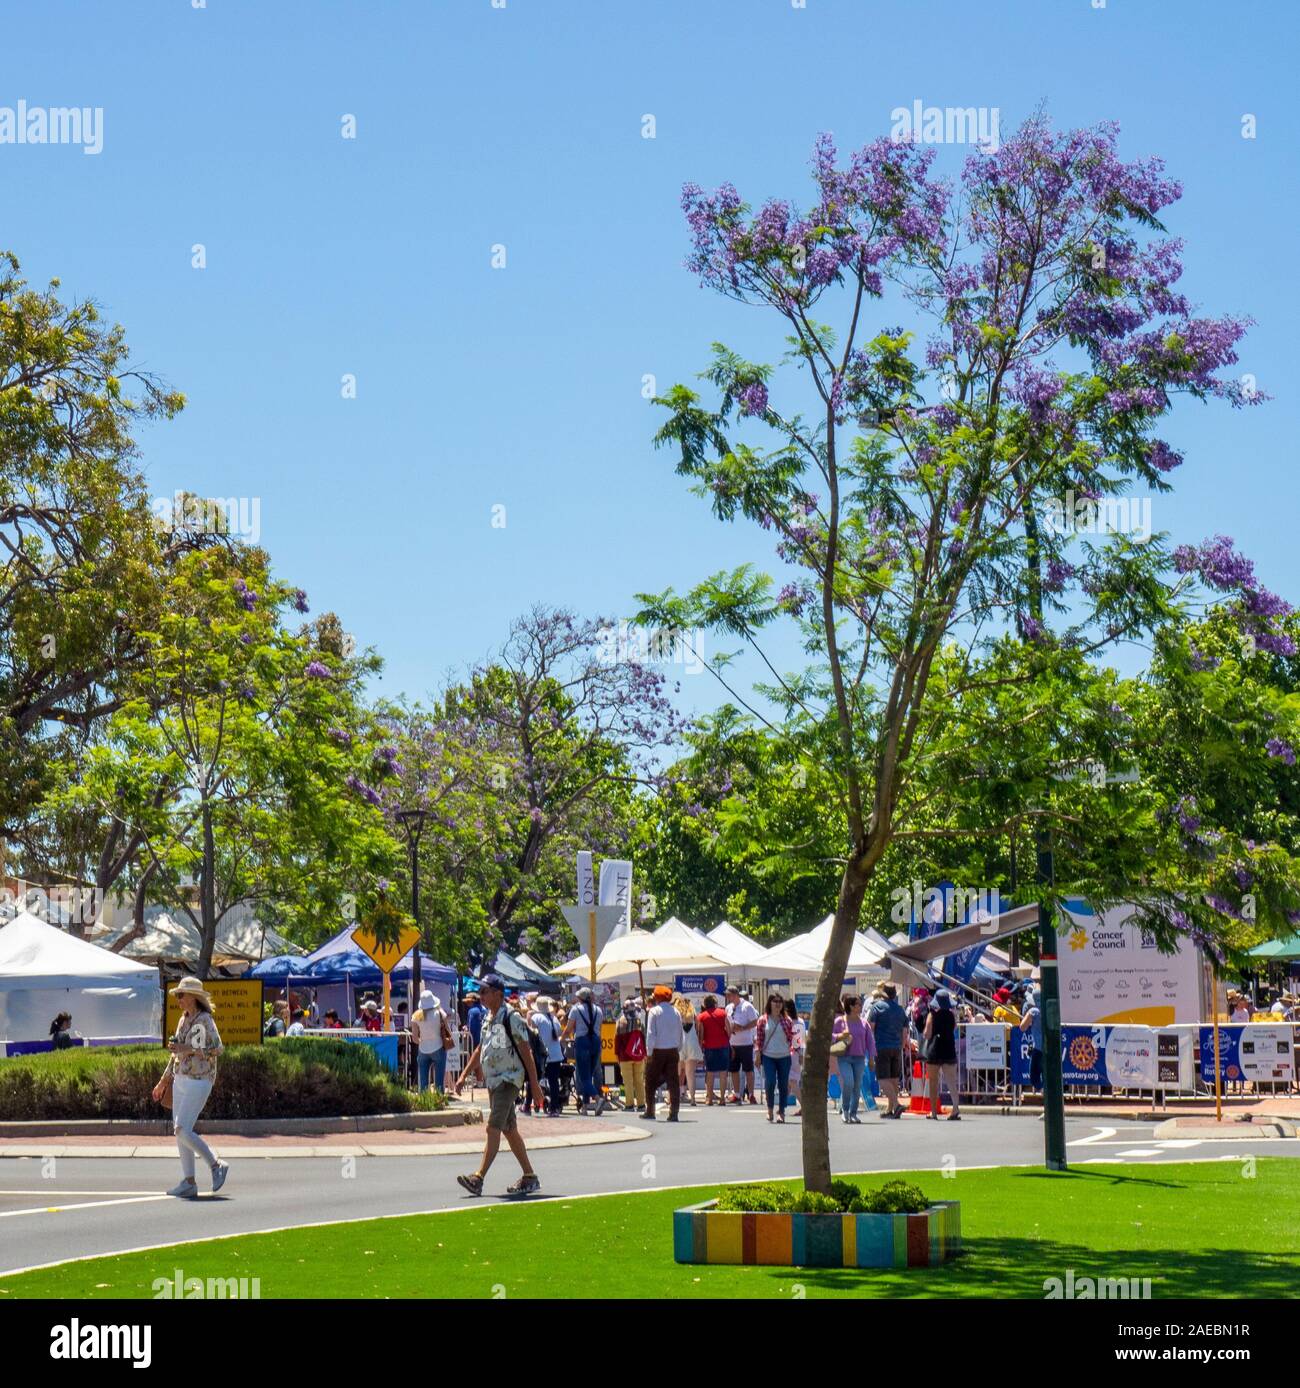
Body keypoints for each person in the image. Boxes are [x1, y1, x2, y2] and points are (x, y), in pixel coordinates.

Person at [453, 973, 545, 1197]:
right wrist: (464, 1075)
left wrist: (535, 1084)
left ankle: (478, 1177)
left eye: (485, 991)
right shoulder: (488, 1018)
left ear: (497, 993)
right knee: (509, 1130)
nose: (481, 996)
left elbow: (526, 1051)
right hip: (494, 1081)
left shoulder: (511, 1017)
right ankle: (530, 1176)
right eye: (480, 991)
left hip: (509, 1079)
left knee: (493, 1127)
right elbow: (479, 1049)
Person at [152, 977, 229, 1198]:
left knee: (182, 1129)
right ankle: (189, 1181)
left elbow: (218, 1048)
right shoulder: (182, 1020)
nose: (178, 999)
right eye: (177, 995)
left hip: (200, 1079)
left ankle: (216, 1164)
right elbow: (176, 1054)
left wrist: (188, 1048)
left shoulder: (205, 1019)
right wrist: (163, 1080)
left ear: (194, 996)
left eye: (181, 995)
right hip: (181, 1079)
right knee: (180, 1133)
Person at [563, 986, 607, 1115]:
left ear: (580, 998)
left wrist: (562, 1038)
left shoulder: (576, 1010)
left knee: (584, 1077)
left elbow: (569, 1028)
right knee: (590, 1074)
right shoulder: (598, 1010)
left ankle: (597, 1099)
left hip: (582, 1042)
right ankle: (585, 1107)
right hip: (596, 1042)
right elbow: (600, 1028)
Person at [831, 995, 875, 1123]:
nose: (861, 1007)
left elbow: (870, 1042)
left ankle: (853, 1112)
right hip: (844, 1057)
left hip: (860, 1058)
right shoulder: (840, 1021)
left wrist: (871, 1058)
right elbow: (830, 1035)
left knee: (857, 1086)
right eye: (858, 1004)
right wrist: (840, 1035)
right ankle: (845, 1110)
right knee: (848, 1082)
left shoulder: (864, 1023)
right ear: (850, 1006)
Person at [868, 982, 908, 1119]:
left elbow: (870, 1028)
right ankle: (890, 1109)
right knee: (894, 1079)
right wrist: (901, 1045)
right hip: (896, 1047)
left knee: (883, 1078)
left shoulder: (876, 1008)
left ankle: (896, 1105)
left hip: (882, 1045)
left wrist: (869, 1045)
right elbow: (905, 1031)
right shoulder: (900, 1009)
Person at [643, 984, 683, 1121]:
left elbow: (650, 1034)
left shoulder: (654, 1012)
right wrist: (678, 1048)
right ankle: (674, 1112)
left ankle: (650, 1110)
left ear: (657, 998)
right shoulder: (675, 1011)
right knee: (673, 1082)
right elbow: (680, 1033)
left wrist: (649, 1053)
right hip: (673, 1050)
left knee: (650, 1081)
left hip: (657, 1051)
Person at [755, 993, 794, 1123]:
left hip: (784, 1056)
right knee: (770, 1082)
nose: (777, 1004)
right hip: (768, 1056)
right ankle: (770, 1108)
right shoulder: (762, 1020)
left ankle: (781, 1111)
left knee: (783, 1084)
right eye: (775, 1001)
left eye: (780, 1001)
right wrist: (758, 1055)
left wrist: (796, 1053)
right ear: (770, 1003)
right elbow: (759, 1040)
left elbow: (792, 1039)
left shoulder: (787, 1020)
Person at [923, 988, 961, 1120]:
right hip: (949, 1048)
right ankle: (955, 1108)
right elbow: (954, 1028)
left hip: (934, 1049)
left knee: (933, 1082)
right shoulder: (951, 1016)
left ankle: (933, 1112)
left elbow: (927, 1034)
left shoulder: (931, 1015)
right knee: (951, 1082)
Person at [411, 990, 452, 1093]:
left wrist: (422, 1041)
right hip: (438, 1047)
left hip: (423, 1049)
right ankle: (439, 1100)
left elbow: (414, 1038)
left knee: (423, 1081)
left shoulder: (416, 1015)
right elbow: (447, 1028)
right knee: (439, 1080)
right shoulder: (439, 1013)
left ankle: (424, 1101)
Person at [725, 985, 759, 1105]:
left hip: (746, 1043)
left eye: (729, 995)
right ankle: (737, 1094)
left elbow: (755, 1022)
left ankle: (751, 1094)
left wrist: (743, 1028)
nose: (727, 997)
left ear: (735, 995)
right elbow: (727, 1023)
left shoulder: (747, 1006)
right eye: (727, 995)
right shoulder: (728, 1007)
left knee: (748, 1070)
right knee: (734, 1070)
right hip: (733, 1043)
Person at [532, 996, 564, 1116]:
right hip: (556, 1054)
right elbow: (559, 1033)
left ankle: (530, 1103)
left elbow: (531, 1033)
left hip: (543, 1055)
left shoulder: (536, 1017)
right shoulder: (554, 1018)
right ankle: (554, 1108)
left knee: (534, 1079)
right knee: (554, 1082)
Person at [697, 994, 731, 1105]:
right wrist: (726, 1039)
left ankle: (710, 1099)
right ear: (715, 1003)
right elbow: (729, 1030)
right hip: (723, 1046)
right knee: (723, 1073)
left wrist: (700, 1046)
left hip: (709, 1047)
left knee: (710, 1072)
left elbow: (701, 1034)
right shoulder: (723, 1013)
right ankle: (722, 1099)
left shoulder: (701, 1016)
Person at [615, 997, 647, 1111]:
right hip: (639, 1056)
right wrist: (645, 1054)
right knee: (639, 1080)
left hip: (625, 1057)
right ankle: (641, 1104)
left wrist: (617, 1056)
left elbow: (617, 1042)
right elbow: (643, 1039)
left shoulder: (620, 1023)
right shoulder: (639, 1022)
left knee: (628, 1081)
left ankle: (629, 1104)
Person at [674, 993, 702, 1105]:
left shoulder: (676, 1013)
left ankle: (674, 1097)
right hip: (692, 1041)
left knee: (676, 1073)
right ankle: (693, 1099)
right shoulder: (693, 1013)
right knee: (690, 1074)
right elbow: (699, 1025)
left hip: (679, 1042)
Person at [1020, 986, 1044, 1091]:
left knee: (1034, 1077)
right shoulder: (1051, 1009)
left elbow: (1022, 1027)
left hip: (1038, 1049)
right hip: (1051, 1050)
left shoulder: (1034, 1011)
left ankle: (1043, 1092)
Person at [783, 999, 805, 1114]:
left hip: (789, 1053)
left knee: (792, 1082)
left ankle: (804, 1105)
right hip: (797, 1053)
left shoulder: (787, 1021)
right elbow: (800, 1041)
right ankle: (781, 1105)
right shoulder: (800, 1021)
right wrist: (801, 1054)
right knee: (789, 1082)